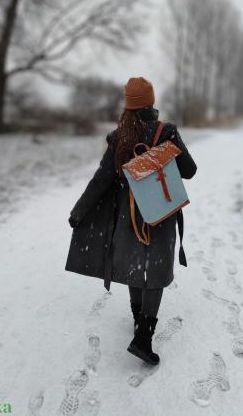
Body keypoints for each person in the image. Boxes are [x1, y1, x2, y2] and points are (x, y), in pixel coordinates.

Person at [66, 77, 197, 365]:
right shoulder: (167, 132)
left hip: (128, 216)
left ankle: (138, 320)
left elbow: (101, 180)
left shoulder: (119, 137)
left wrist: (79, 212)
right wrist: (165, 154)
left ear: (128, 105)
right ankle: (143, 337)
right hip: (159, 213)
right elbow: (189, 170)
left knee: (136, 266)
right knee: (157, 273)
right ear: (151, 102)